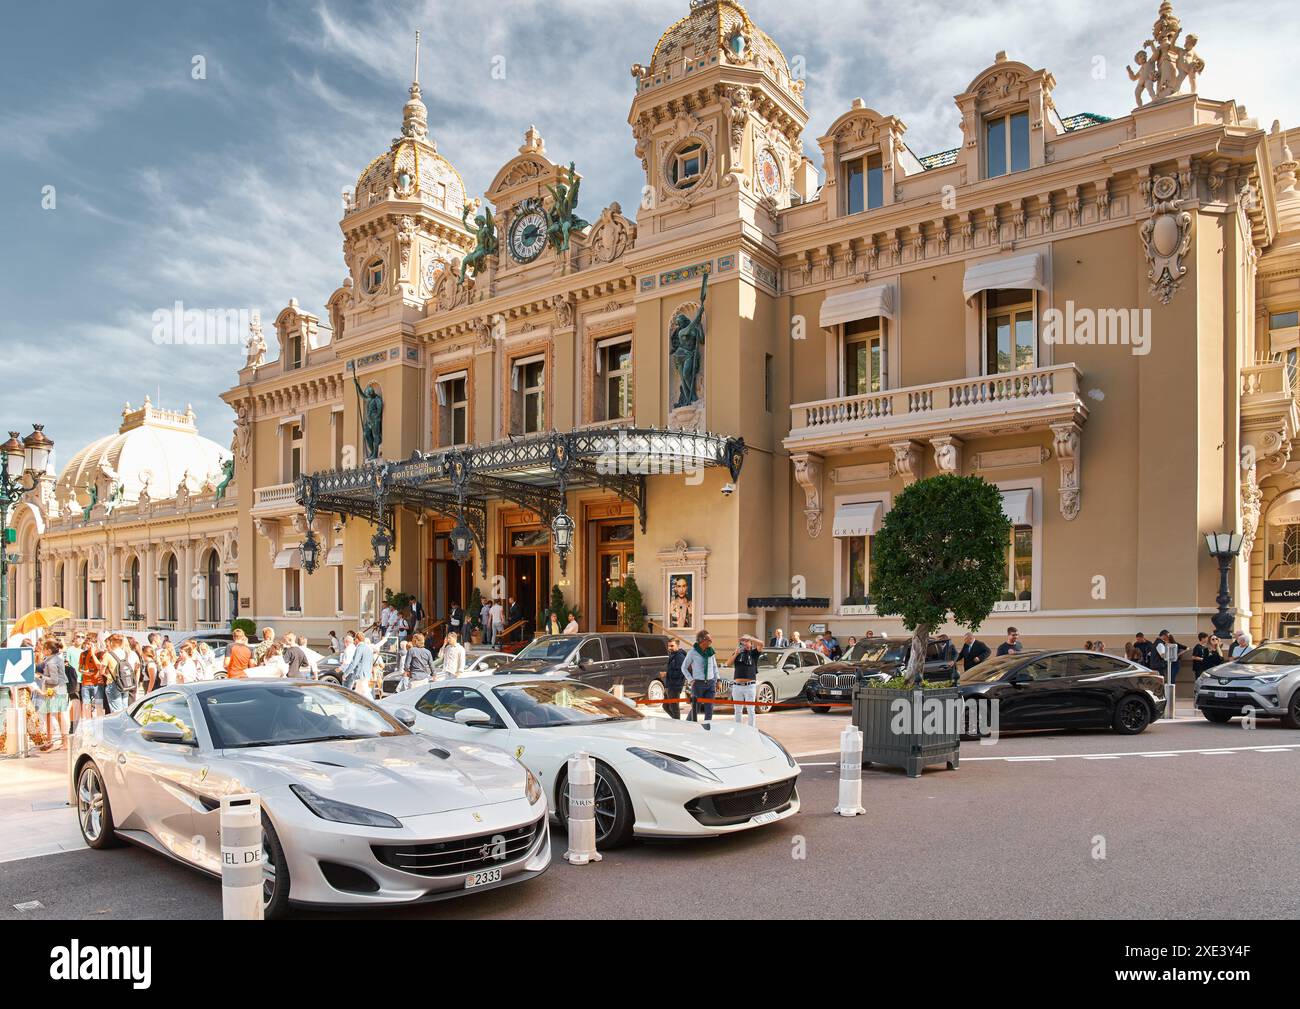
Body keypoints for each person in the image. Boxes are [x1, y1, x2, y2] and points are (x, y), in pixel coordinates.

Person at [36, 640, 70, 751]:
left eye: (44, 649)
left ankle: (51, 742)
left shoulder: (51, 662)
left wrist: (41, 677)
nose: (42, 651)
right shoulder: (56, 659)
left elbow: (54, 680)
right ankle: (63, 742)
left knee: (50, 715)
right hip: (60, 690)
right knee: (59, 716)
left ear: (49, 651)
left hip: (55, 690)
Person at [683, 629, 719, 729]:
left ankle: (707, 729)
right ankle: (687, 726)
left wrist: (718, 680)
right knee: (696, 708)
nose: (711, 641)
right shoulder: (692, 652)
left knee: (709, 708)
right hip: (698, 684)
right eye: (709, 639)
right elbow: (684, 667)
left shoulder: (710, 652)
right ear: (702, 640)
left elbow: (714, 667)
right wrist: (690, 679)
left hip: (710, 683)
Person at [731, 635, 762, 727]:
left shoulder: (754, 653)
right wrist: (736, 653)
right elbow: (728, 663)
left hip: (750, 686)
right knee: (737, 709)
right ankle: (738, 728)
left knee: (750, 709)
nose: (744, 643)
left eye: (746, 641)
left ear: (751, 643)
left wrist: (750, 638)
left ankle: (751, 729)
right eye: (743, 642)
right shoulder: (738, 653)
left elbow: (761, 644)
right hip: (737, 686)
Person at [664, 638, 687, 719]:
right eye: (668, 646)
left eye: (672, 646)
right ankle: (676, 721)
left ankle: (677, 723)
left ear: (677, 645)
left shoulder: (680, 656)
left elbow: (681, 672)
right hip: (669, 685)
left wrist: (667, 674)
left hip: (675, 686)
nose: (669, 648)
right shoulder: (673, 655)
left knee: (674, 708)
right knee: (665, 706)